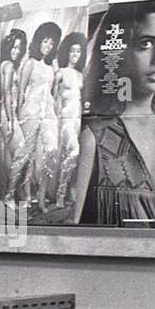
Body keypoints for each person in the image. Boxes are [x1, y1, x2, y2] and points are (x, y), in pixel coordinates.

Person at [73, 0, 155, 227]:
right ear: (119, 51)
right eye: (145, 44)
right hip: (117, 262)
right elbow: (67, 238)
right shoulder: (93, 137)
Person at [7, 20, 62, 212]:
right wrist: (17, 115)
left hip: (48, 113)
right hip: (30, 111)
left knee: (51, 150)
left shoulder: (51, 68)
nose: (48, 46)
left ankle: (41, 194)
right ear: (39, 41)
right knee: (27, 155)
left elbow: (53, 93)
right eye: (45, 41)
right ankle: (25, 195)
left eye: (52, 43)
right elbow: (21, 90)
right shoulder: (29, 63)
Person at [52, 31, 87, 210]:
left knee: (72, 156)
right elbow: (53, 99)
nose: (75, 55)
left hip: (78, 118)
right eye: (72, 51)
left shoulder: (81, 76)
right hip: (65, 117)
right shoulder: (60, 73)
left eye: (78, 51)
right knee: (74, 152)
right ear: (67, 52)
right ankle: (60, 194)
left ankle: (68, 193)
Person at [0, 28, 26, 200]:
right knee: (22, 152)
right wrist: (12, 121)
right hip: (7, 115)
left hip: (6, 114)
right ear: (8, 47)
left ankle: (8, 192)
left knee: (7, 155)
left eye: (19, 48)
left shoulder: (3, 65)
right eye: (14, 47)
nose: (17, 52)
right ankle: (9, 195)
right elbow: (6, 92)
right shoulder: (9, 66)